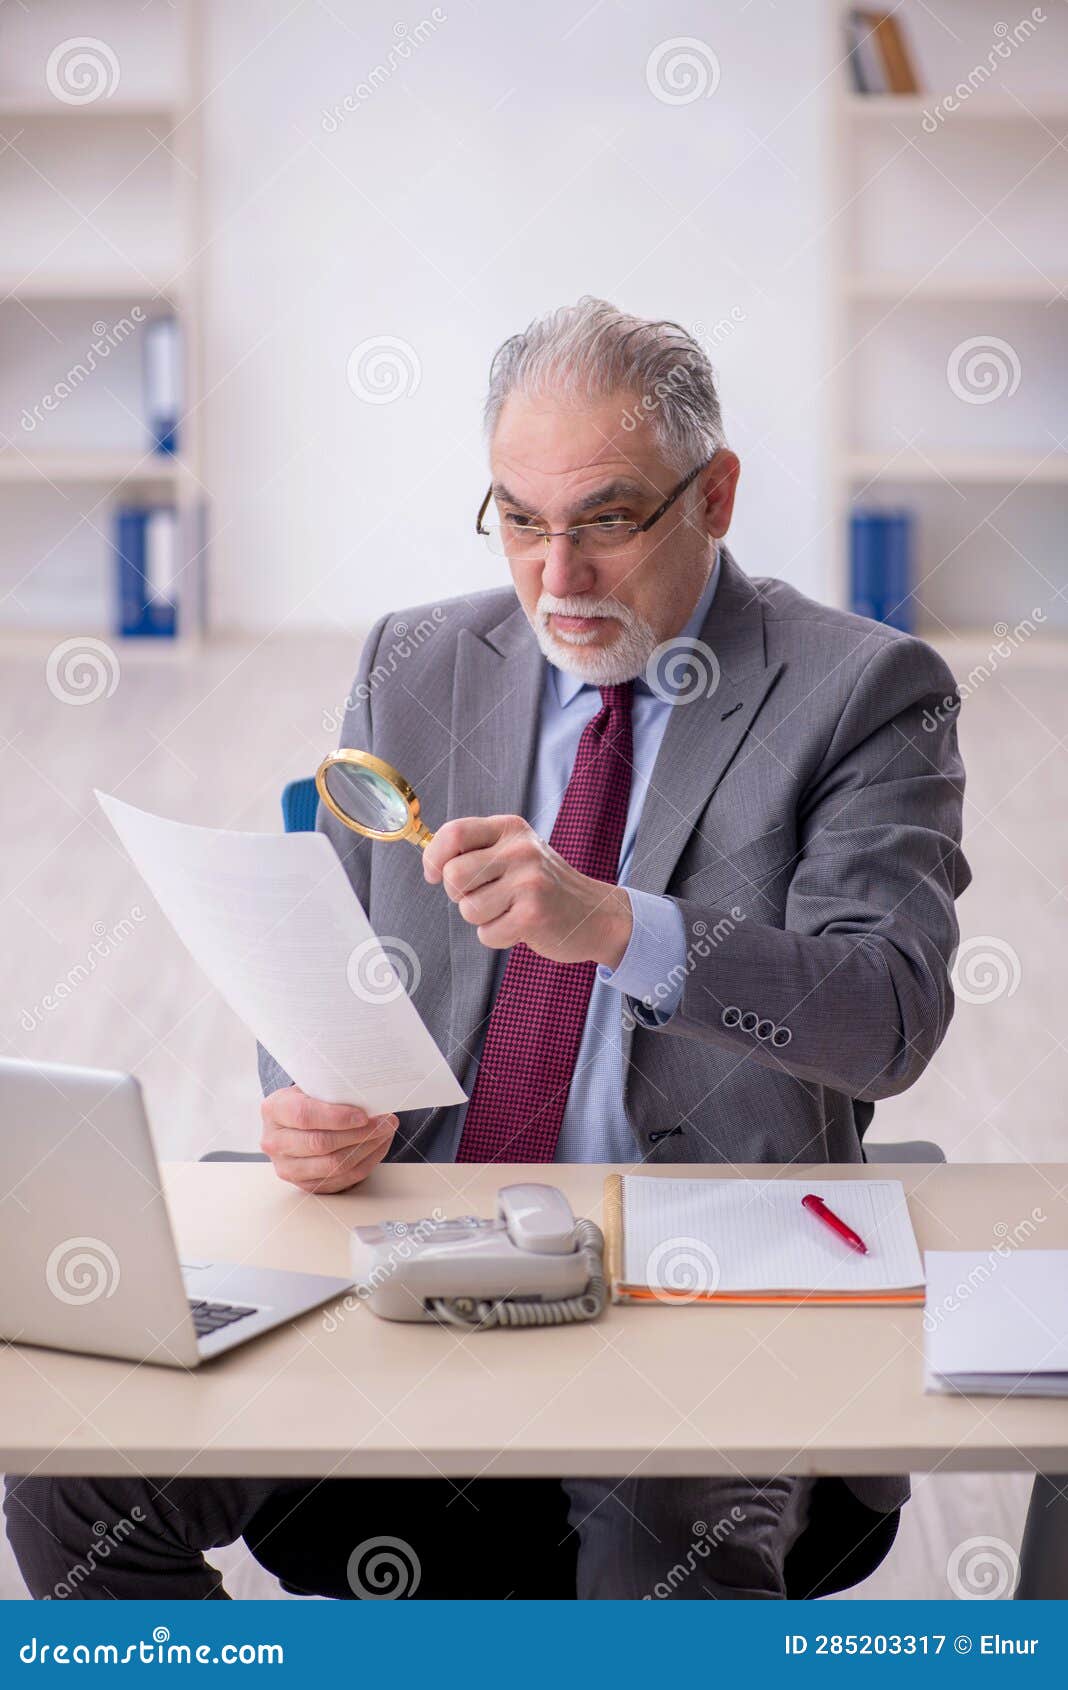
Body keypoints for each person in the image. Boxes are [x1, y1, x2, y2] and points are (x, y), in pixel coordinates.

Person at [6, 296, 969, 1600]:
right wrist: (309, 1097)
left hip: (681, 1274)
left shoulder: (862, 689)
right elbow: (335, 958)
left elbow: (888, 1018)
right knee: (74, 1488)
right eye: (520, 519)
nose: (556, 577)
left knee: (663, 1579)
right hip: (416, 1245)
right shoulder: (416, 661)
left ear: (718, 494)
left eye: (607, 520)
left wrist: (617, 925)